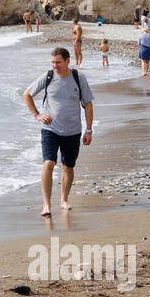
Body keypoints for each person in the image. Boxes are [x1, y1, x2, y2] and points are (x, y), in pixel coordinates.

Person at [22, 47, 94, 217]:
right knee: (48, 163)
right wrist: (37, 115)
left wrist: (88, 130)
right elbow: (27, 94)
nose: (55, 66)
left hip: (73, 131)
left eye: (58, 62)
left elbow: (88, 104)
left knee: (68, 167)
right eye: (53, 62)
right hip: (50, 129)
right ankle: (46, 204)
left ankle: (63, 200)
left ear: (68, 61)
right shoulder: (47, 77)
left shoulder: (78, 78)